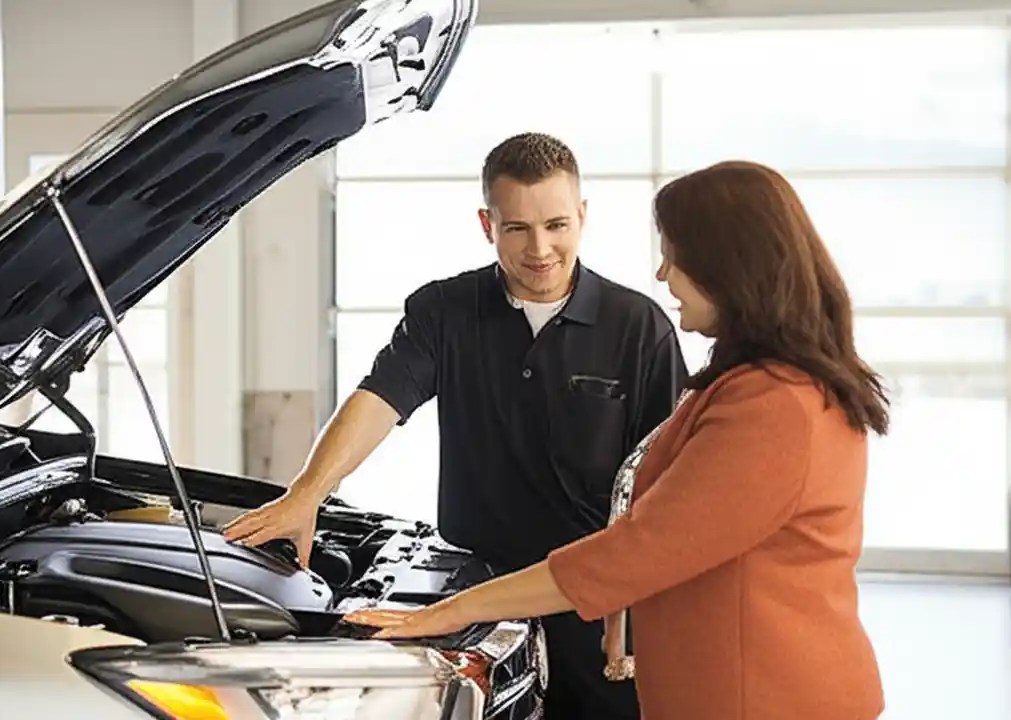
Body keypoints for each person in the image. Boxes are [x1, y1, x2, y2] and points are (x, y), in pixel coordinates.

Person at [343, 160, 890, 720]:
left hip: (769, 698)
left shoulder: (775, 406)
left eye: (675, 256)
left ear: (730, 266)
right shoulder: (762, 384)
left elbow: (639, 550)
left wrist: (449, 612)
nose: (663, 274)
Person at [223, 132, 687, 719]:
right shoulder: (443, 311)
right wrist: (308, 492)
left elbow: (670, 487)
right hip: (474, 605)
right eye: (517, 228)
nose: (540, 248)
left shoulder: (639, 327)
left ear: (583, 216)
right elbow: (380, 398)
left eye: (557, 225)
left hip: (595, 614)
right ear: (487, 224)